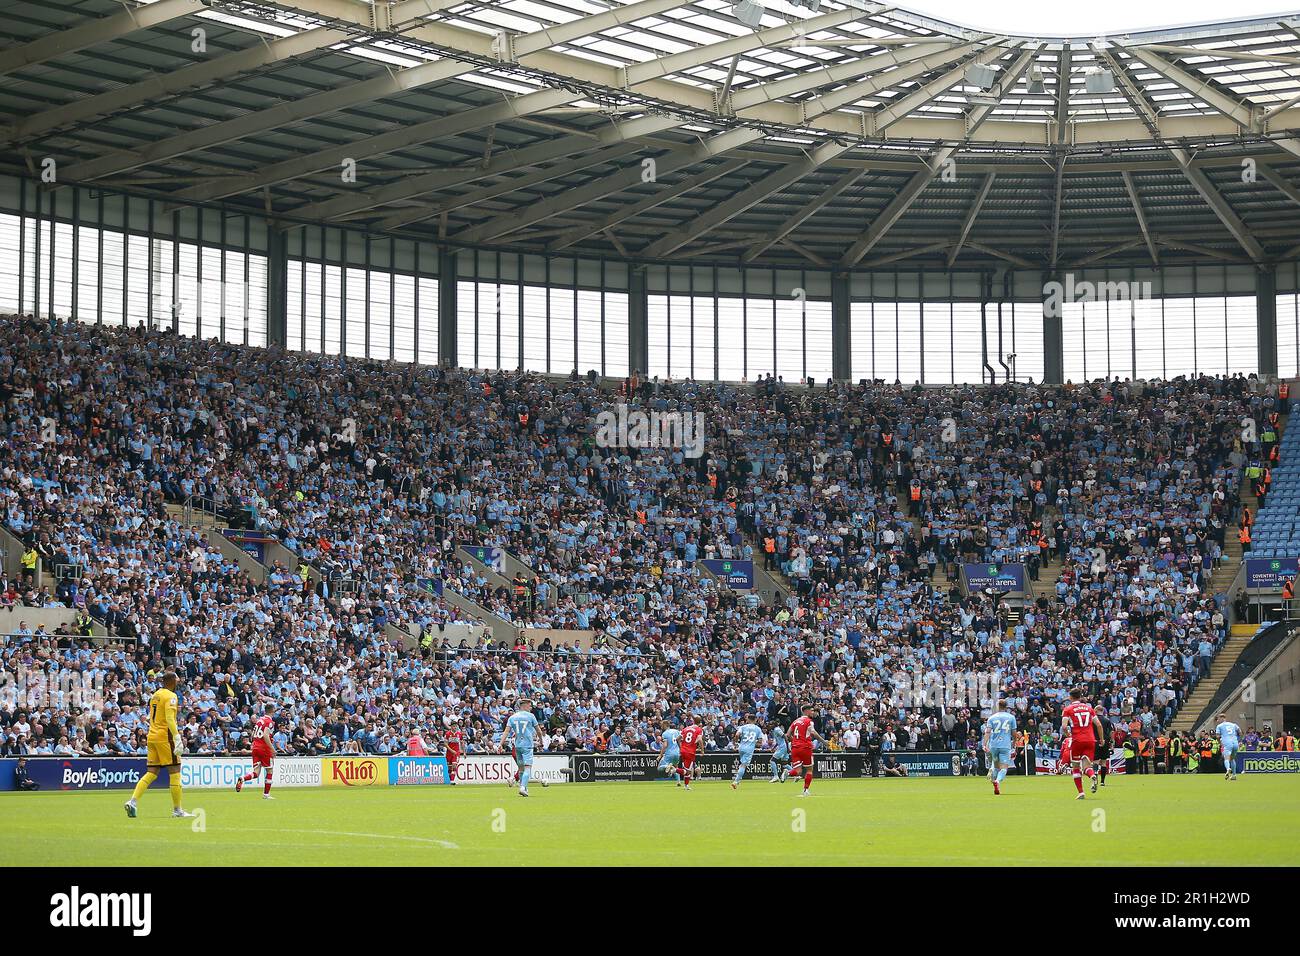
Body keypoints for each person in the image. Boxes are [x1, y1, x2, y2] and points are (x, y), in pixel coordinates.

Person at [124, 671, 195, 819]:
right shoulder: (171, 696)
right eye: (176, 680)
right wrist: (177, 737)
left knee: (152, 772)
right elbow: (169, 718)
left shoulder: (155, 695)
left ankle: (133, 801)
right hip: (165, 737)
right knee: (175, 771)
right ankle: (177, 810)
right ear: (171, 681)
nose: (178, 682)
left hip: (152, 736)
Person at [1061, 687, 1102, 799]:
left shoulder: (1068, 709)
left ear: (1070, 697)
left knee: (1075, 767)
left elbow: (1064, 726)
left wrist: (1068, 734)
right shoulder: (1089, 708)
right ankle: (1092, 775)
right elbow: (1098, 725)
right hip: (1090, 740)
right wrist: (1101, 740)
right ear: (1080, 696)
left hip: (1077, 740)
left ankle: (1081, 792)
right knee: (1086, 766)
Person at [499, 699, 541, 797]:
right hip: (528, 745)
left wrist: (500, 743)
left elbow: (506, 731)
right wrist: (541, 741)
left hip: (517, 745)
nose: (530, 708)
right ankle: (522, 787)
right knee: (527, 768)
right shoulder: (531, 716)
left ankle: (524, 788)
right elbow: (538, 730)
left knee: (521, 768)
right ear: (524, 705)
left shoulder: (512, 717)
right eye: (529, 706)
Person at [235, 703, 277, 799]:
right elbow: (265, 735)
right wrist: (272, 748)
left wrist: (254, 744)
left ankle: (242, 778)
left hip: (256, 748)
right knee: (270, 770)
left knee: (256, 773)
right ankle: (266, 794)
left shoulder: (259, 720)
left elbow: (253, 734)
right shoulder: (269, 721)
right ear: (272, 711)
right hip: (264, 749)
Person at [787, 704, 828, 796]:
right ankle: (805, 790)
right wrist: (824, 742)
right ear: (806, 711)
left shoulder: (795, 721)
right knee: (809, 769)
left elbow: (788, 735)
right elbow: (813, 733)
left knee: (798, 771)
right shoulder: (809, 721)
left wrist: (795, 742)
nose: (813, 712)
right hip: (806, 747)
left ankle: (788, 773)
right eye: (812, 710)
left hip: (795, 747)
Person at [982, 702, 1016, 796]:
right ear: (1006, 707)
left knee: (996, 766)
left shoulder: (992, 718)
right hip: (1005, 745)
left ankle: (993, 776)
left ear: (997, 707)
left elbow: (987, 732)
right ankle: (997, 781)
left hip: (994, 745)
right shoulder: (1011, 717)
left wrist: (984, 744)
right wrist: (1014, 742)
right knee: (1004, 768)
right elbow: (1014, 732)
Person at [731, 715, 763, 790]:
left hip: (741, 747)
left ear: (748, 719)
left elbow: (737, 735)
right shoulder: (758, 729)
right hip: (749, 749)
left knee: (742, 763)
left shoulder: (743, 727)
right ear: (755, 720)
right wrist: (753, 742)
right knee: (743, 765)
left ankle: (738, 780)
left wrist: (735, 742)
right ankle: (736, 781)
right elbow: (760, 742)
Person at [676, 716, 704, 791]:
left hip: (683, 751)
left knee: (687, 769)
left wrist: (680, 747)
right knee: (688, 771)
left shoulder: (686, 728)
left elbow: (677, 739)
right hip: (690, 752)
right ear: (700, 722)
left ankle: (686, 785)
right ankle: (674, 769)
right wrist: (702, 750)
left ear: (693, 721)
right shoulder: (698, 729)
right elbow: (700, 740)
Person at [1214, 712, 1243, 781]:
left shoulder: (1219, 726)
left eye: (1218, 719)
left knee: (1226, 758)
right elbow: (1240, 732)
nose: (1218, 721)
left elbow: (1217, 736)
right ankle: (1234, 775)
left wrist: (1220, 742)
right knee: (1232, 759)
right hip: (1235, 743)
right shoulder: (1233, 724)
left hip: (1227, 743)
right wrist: (1239, 740)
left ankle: (1228, 769)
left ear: (1222, 718)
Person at [657, 720, 682, 785]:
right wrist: (681, 751)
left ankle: (668, 766)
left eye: (662, 725)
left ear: (665, 725)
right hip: (677, 753)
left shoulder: (665, 733)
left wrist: (660, 755)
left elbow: (665, 745)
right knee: (676, 767)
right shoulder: (676, 731)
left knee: (659, 768)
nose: (661, 726)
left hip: (669, 753)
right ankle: (678, 782)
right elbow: (679, 742)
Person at [444, 715, 463, 786]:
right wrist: (451, 750)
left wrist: (463, 751)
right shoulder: (447, 734)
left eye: (456, 726)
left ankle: (452, 781)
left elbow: (462, 742)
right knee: (449, 768)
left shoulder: (459, 734)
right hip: (449, 752)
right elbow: (445, 744)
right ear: (451, 727)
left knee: (454, 766)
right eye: (453, 726)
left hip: (456, 752)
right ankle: (450, 780)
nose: (455, 727)